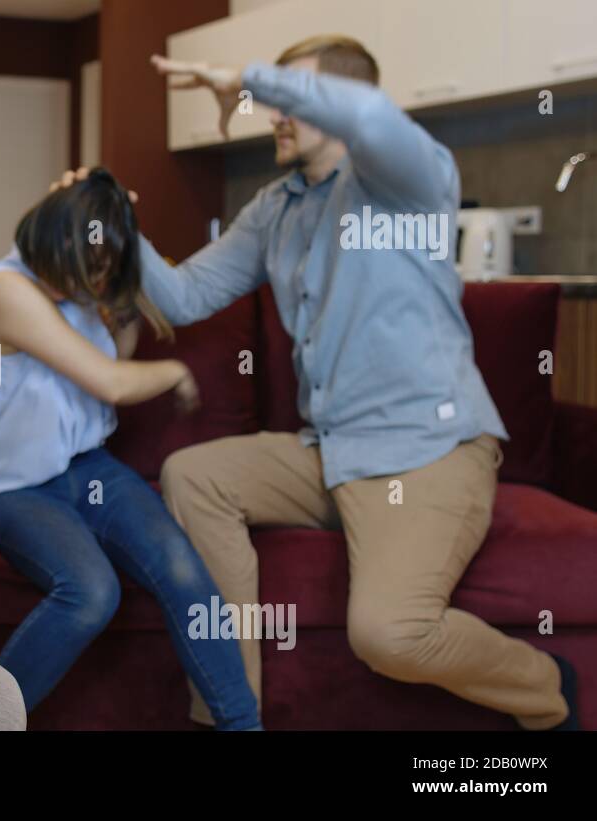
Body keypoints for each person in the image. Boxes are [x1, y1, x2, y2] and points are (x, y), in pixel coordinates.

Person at [138, 34, 577, 729]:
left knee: (387, 633)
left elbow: (372, 120)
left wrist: (249, 78)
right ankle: (233, 712)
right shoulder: (274, 209)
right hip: (330, 447)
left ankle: (547, 684)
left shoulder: (405, 179)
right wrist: (106, 220)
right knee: (193, 474)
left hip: (428, 450)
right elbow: (185, 294)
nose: (273, 113)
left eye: (293, 96)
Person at [0, 167, 262, 730]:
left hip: (88, 468)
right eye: (88, 272)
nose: (93, 284)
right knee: (92, 592)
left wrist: (120, 307)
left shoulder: (76, 280)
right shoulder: (6, 289)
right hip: (11, 488)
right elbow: (111, 384)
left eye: (102, 274)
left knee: (183, 568)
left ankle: (244, 726)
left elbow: (111, 357)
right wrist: (174, 370)